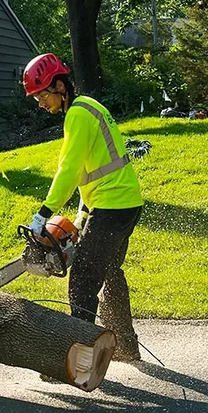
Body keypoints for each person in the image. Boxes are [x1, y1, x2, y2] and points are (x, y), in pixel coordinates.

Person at [22, 52, 143, 360]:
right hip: (123, 203)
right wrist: (81, 218)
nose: (40, 103)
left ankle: (79, 362)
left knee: (82, 282)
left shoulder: (78, 114)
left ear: (60, 86)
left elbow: (70, 170)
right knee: (110, 271)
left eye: (42, 95)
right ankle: (126, 346)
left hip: (113, 205)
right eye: (36, 98)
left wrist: (43, 213)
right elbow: (93, 172)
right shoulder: (88, 108)